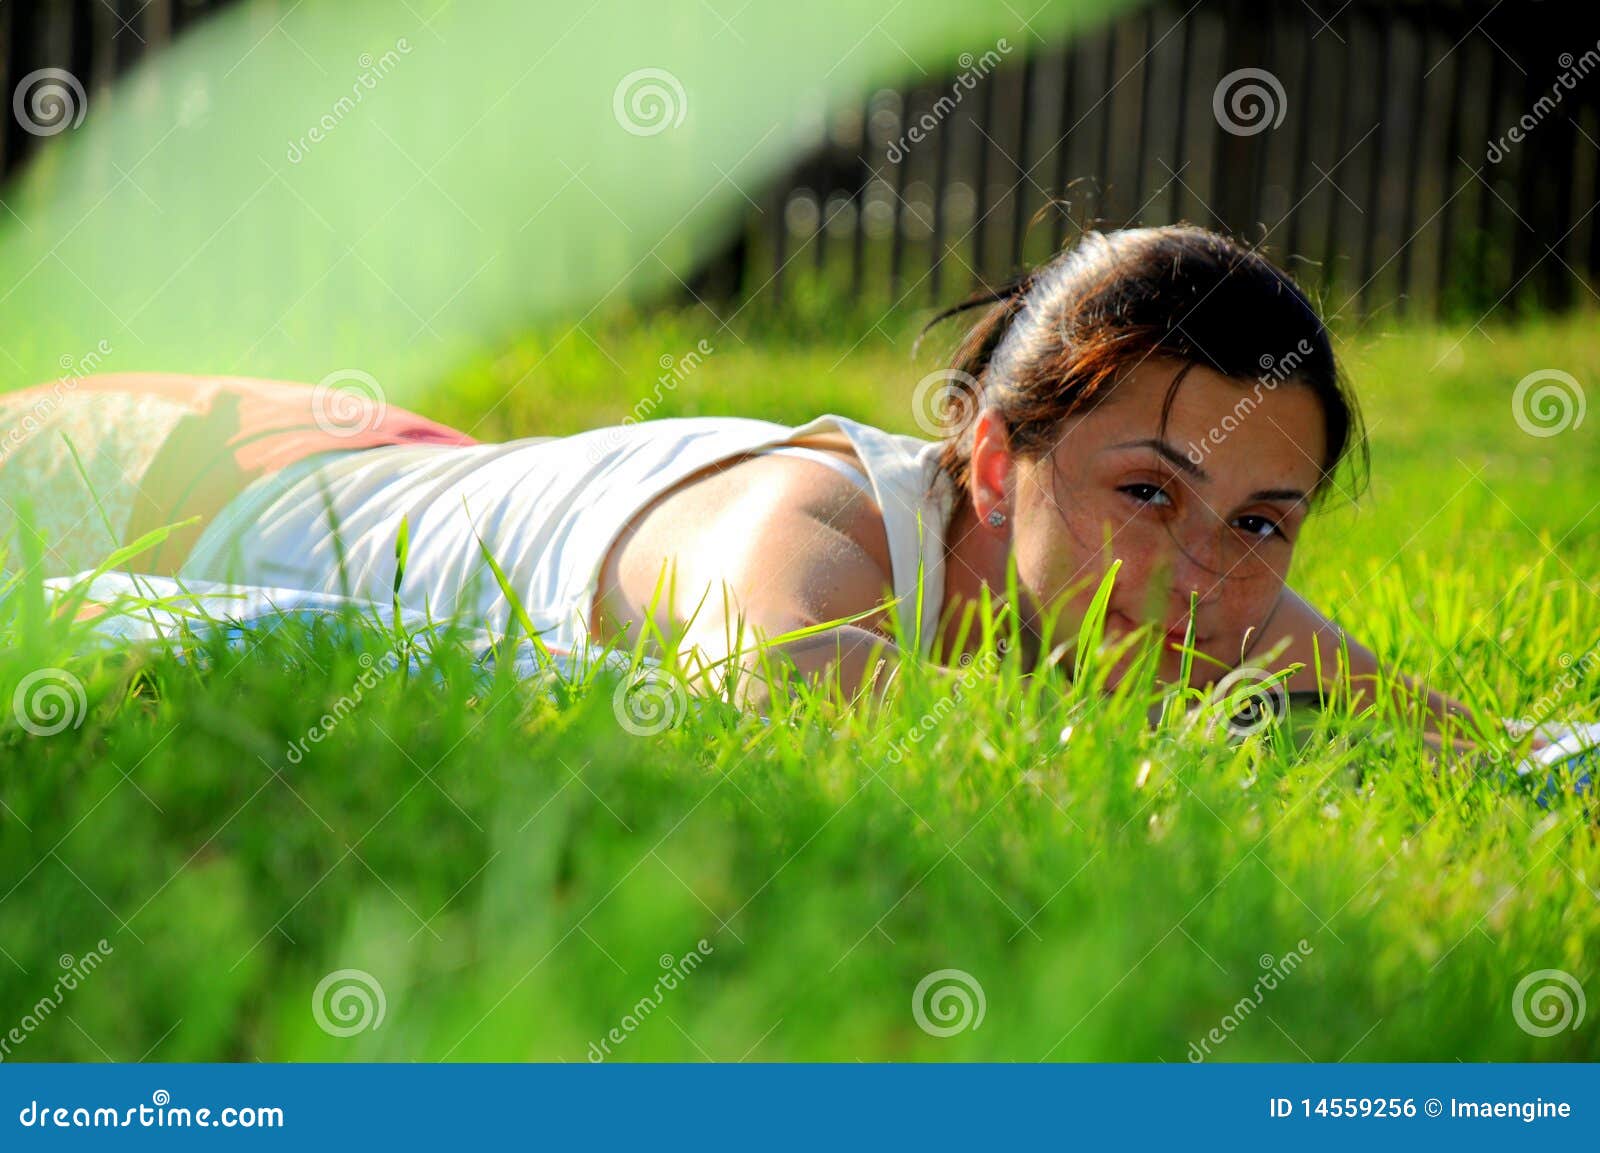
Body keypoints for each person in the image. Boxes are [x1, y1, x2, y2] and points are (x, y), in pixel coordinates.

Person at [0, 226, 1461, 725]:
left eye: (1261, 521)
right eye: (1148, 492)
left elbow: (1480, 744)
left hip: (408, 472)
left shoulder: (1184, 592)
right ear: (993, 459)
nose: (1207, 570)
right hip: (157, 487)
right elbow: (798, 701)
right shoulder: (809, 529)